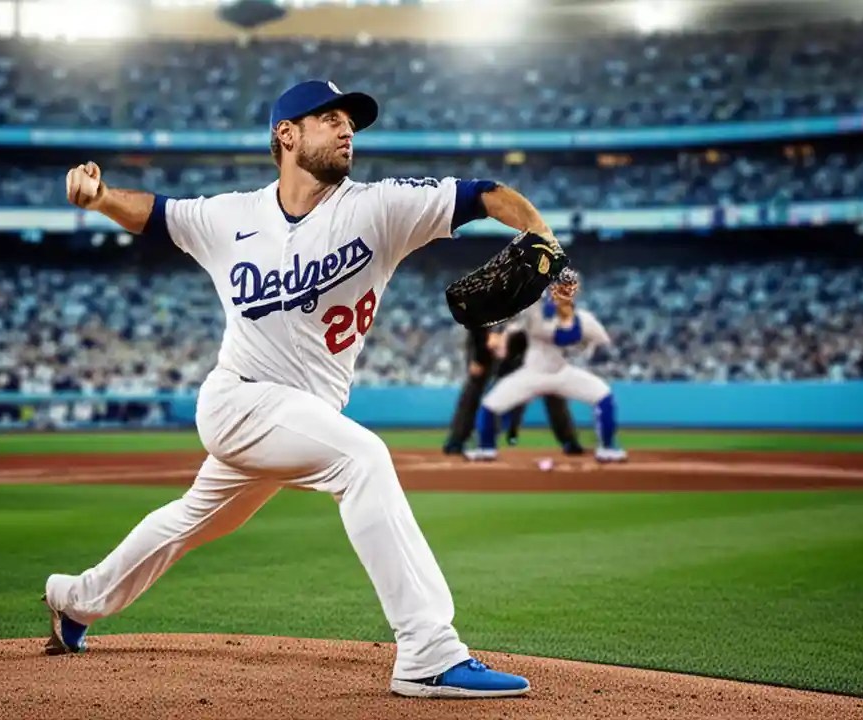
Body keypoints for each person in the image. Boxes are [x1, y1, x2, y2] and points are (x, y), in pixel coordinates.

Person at [42, 80, 566, 699]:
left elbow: (486, 194)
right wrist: (101, 198)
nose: (347, 130)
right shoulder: (228, 216)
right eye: (329, 118)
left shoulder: (378, 207)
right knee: (362, 458)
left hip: (298, 417)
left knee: (191, 520)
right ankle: (428, 649)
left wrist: (542, 237)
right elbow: (154, 213)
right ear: (286, 134)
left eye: (352, 122)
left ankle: (74, 600)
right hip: (238, 398)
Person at [465, 269, 628, 463]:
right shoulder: (534, 312)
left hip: (562, 373)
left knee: (603, 395)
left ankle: (607, 447)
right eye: (559, 287)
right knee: (489, 405)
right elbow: (513, 320)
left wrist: (592, 352)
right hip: (532, 373)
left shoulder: (584, 320)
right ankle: (486, 448)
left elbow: (603, 344)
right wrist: (502, 340)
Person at [442, 326, 585, 455]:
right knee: (475, 384)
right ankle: (457, 439)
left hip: (523, 340)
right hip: (486, 338)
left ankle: (569, 440)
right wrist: (479, 358)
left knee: (551, 383)